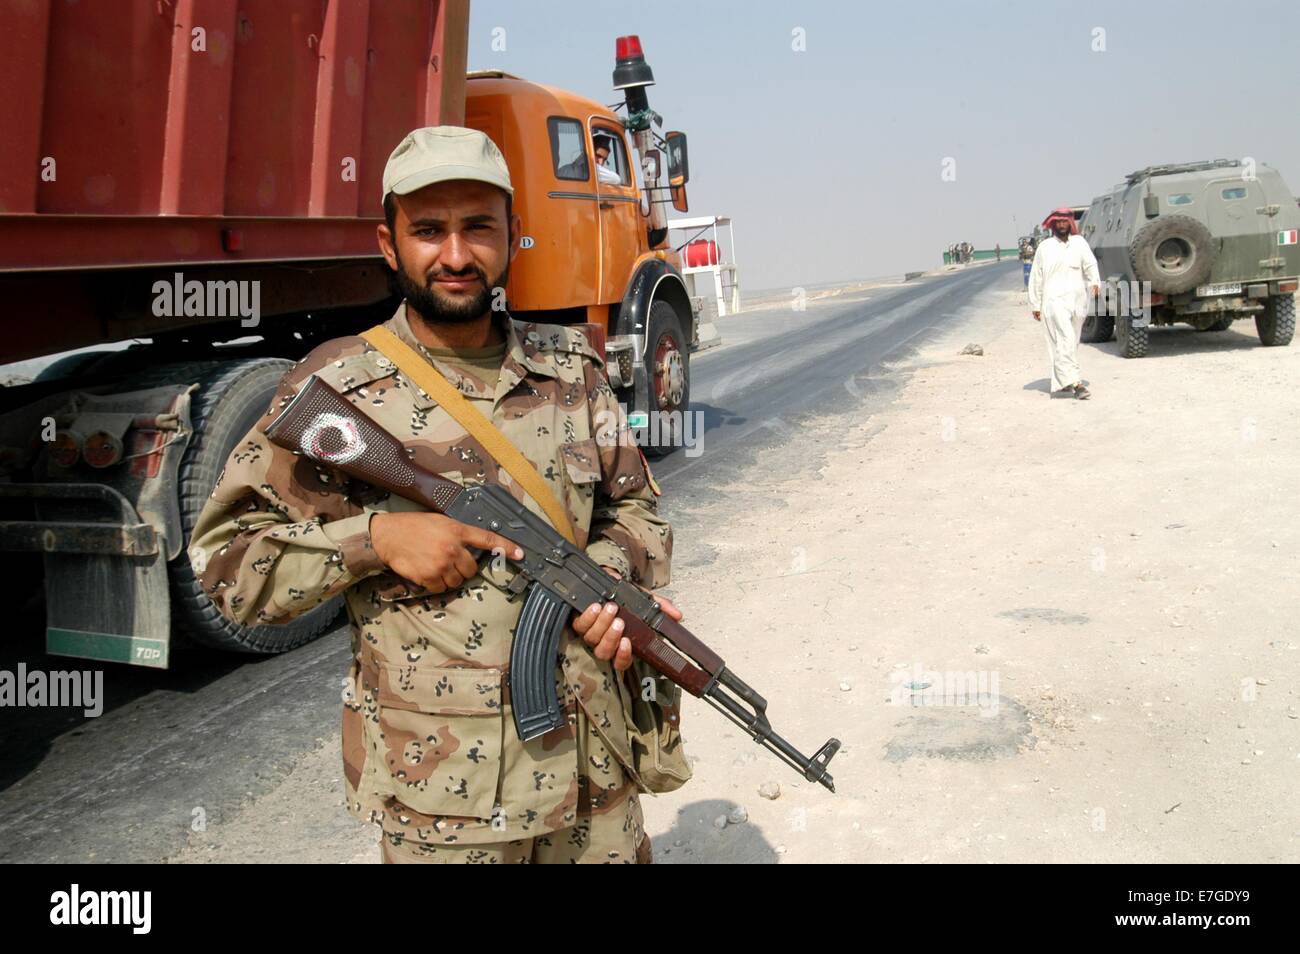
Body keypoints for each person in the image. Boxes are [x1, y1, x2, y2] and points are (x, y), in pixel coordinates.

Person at [189, 126, 685, 863]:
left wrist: (611, 573)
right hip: (448, 806)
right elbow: (227, 573)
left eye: (478, 226)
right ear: (389, 244)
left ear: (514, 235)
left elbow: (638, 511)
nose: (455, 255)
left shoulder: (571, 370)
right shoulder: (337, 389)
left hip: (596, 781)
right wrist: (375, 542)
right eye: (428, 230)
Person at [1029, 207, 1100, 399]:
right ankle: (1076, 384)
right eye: (1058, 222)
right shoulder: (1045, 247)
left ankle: (1062, 382)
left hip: (1078, 300)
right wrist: (1035, 304)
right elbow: (1036, 276)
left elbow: (1090, 263)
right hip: (1053, 301)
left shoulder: (1079, 243)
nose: (1061, 225)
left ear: (1070, 223)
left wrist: (1094, 281)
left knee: (1070, 342)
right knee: (1066, 338)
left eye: (1064, 221)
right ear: (1053, 224)